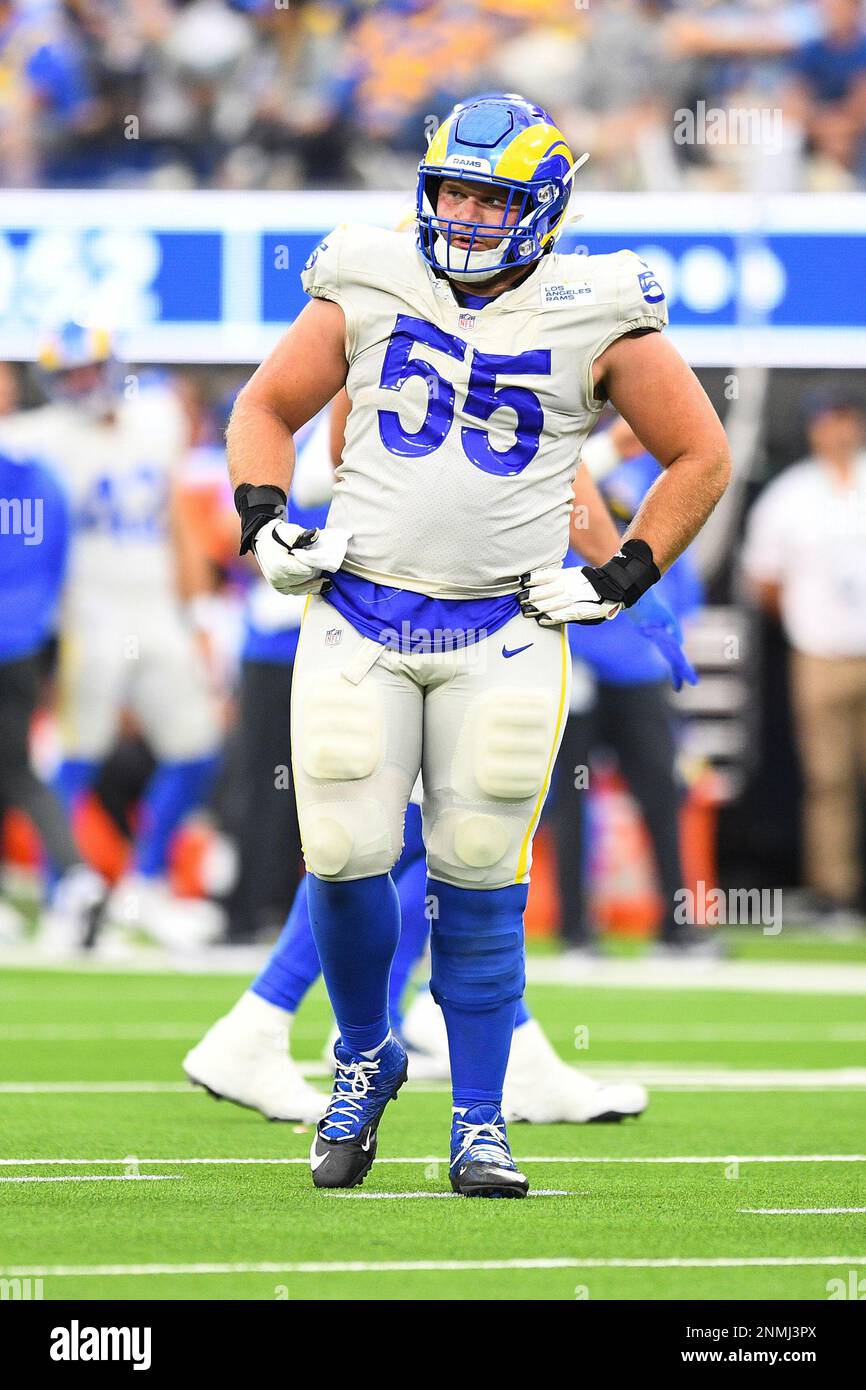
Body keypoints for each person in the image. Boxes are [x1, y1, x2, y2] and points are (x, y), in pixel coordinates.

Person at [227, 93, 730, 1197]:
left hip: (505, 623)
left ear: (542, 207)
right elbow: (265, 404)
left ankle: (480, 1119)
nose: (460, 211)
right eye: (450, 187)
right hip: (361, 609)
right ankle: (363, 1051)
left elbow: (696, 451)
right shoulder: (368, 273)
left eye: (489, 196)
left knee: (475, 873)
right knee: (348, 855)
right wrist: (264, 518)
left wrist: (623, 578)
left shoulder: (597, 305)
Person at [0, 324, 223, 950]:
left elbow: (176, 513)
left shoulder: (156, 417)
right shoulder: (41, 440)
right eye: (67, 374)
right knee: (76, 757)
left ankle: (142, 882)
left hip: (155, 612)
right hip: (86, 621)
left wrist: (197, 607)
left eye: (90, 369)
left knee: (198, 748)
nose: (81, 384)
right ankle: (64, 896)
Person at [742, 390, 866, 924]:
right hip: (818, 654)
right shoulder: (789, 496)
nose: (838, 432)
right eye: (828, 421)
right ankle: (834, 893)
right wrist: (805, 621)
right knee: (827, 778)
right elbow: (764, 580)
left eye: (846, 420)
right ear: (813, 429)